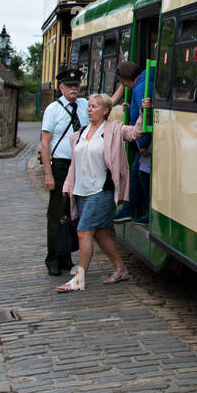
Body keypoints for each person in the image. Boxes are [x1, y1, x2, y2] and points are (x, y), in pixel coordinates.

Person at [57, 92, 147, 292]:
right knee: (100, 234)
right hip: (81, 190)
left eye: (95, 106)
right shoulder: (80, 133)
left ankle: (79, 279)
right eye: (88, 106)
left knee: (83, 231)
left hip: (102, 190)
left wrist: (143, 112)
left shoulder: (113, 130)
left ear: (106, 110)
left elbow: (136, 133)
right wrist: (67, 187)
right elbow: (75, 164)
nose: (90, 110)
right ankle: (121, 269)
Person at [40, 67, 89, 276]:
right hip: (60, 166)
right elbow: (45, 144)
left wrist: (123, 88)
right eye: (69, 86)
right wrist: (48, 174)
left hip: (80, 164)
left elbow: (108, 103)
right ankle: (53, 258)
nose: (73, 89)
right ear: (61, 87)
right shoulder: (53, 109)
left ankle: (66, 255)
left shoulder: (85, 105)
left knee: (71, 213)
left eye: (76, 85)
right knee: (56, 212)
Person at [108, 62, 147, 224]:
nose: (125, 87)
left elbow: (146, 115)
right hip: (142, 142)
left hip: (143, 143)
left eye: (124, 84)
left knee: (139, 174)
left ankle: (130, 210)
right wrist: (131, 108)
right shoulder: (143, 82)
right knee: (138, 173)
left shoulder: (138, 88)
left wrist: (143, 143)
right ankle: (129, 209)